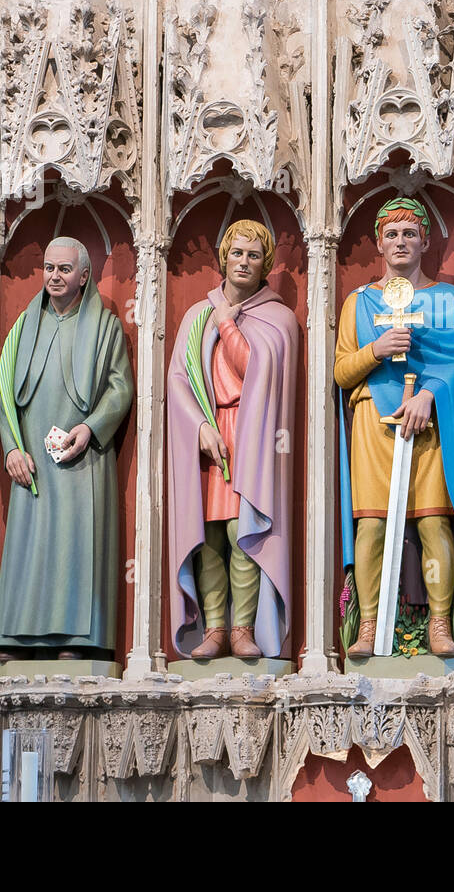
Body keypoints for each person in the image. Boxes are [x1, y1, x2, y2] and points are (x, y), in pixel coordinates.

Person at [335, 197, 454, 659]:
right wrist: (375, 350)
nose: (400, 242)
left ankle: (439, 623)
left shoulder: (448, 299)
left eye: (410, 233)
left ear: (425, 242)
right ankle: (370, 626)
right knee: (371, 525)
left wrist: (429, 394)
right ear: (379, 243)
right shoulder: (359, 302)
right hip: (372, 422)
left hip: (428, 422)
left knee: (435, 520)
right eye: (392, 234)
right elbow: (340, 372)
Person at [0, 237, 134, 660]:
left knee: (77, 544)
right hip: (32, 459)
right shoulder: (22, 327)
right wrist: (10, 449)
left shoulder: (106, 326)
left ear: (84, 276)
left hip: (82, 458)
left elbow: (120, 387)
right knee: (31, 544)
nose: (55, 276)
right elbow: (2, 396)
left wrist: (91, 428)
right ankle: (22, 637)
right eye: (49, 268)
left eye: (64, 269)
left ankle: (77, 639)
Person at [167, 220, 298, 661]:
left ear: (266, 266)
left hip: (254, 432)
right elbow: (178, 380)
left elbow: (255, 372)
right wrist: (199, 427)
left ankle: (244, 629)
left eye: (254, 255)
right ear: (223, 258)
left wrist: (228, 324)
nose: (244, 262)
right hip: (207, 435)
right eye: (237, 253)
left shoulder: (276, 317)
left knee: (244, 530)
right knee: (208, 535)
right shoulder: (195, 316)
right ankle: (215, 628)